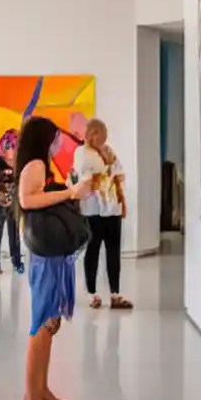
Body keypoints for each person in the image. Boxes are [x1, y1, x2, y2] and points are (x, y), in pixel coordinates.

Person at [17, 116, 91, 400]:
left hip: (47, 253)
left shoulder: (38, 164)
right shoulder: (35, 165)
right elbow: (27, 200)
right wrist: (69, 193)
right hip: (46, 256)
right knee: (42, 325)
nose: (59, 143)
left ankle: (41, 391)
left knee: (48, 324)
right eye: (55, 137)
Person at [74, 118, 132, 309]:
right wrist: (106, 171)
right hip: (92, 211)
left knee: (113, 251)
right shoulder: (82, 153)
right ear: (93, 134)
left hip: (112, 209)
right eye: (101, 135)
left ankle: (115, 293)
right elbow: (86, 176)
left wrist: (111, 161)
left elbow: (120, 174)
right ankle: (92, 293)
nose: (104, 140)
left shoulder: (108, 151)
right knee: (92, 250)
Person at [0, 129, 23, 275]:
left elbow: (21, 181)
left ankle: (17, 261)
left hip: (13, 202)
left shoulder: (19, 162)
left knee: (14, 233)